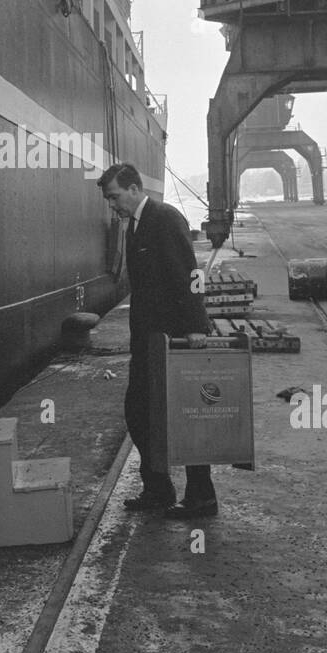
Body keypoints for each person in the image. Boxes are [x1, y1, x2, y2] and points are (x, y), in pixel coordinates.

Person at [97, 162, 218, 519]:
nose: (112, 205)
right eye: (108, 199)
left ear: (134, 189)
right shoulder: (134, 224)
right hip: (148, 340)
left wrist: (197, 326)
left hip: (173, 337)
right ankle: (158, 488)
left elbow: (190, 274)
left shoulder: (165, 218)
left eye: (115, 197)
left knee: (184, 416)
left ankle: (201, 497)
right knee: (140, 412)